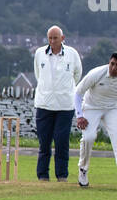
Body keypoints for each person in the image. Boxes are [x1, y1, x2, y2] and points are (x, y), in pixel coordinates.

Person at [74, 50, 117, 189]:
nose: (114, 68)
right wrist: (79, 116)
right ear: (109, 62)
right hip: (91, 107)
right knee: (89, 138)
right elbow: (78, 93)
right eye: (112, 64)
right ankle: (83, 170)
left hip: (112, 108)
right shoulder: (97, 73)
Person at [32, 25, 82, 181]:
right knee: (44, 143)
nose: (52, 41)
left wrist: (64, 90)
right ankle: (42, 176)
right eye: (50, 38)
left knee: (61, 142)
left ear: (63, 38)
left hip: (65, 106)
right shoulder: (40, 53)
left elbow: (77, 75)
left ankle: (61, 175)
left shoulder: (72, 54)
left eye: (55, 38)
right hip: (44, 105)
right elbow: (38, 75)